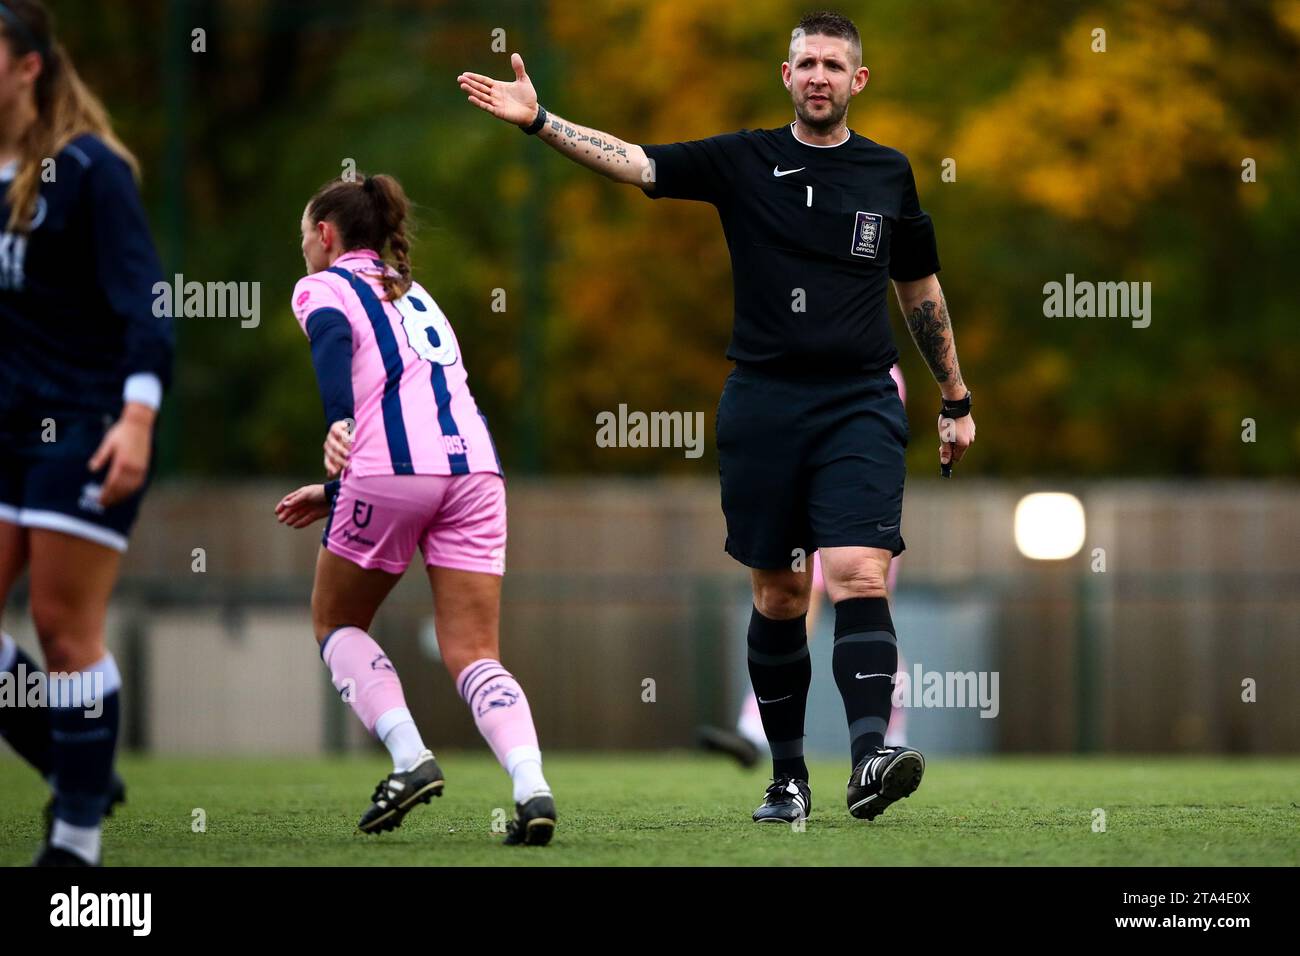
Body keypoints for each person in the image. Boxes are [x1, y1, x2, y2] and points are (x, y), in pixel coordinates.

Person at [458, 10, 975, 824]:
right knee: (778, 593)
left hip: (861, 400)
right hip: (764, 403)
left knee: (859, 572)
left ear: (858, 82)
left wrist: (954, 397)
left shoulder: (889, 172)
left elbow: (920, 290)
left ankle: (871, 754)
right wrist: (542, 122)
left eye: (834, 66)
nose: (818, 77)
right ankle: (789, 777)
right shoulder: (744, 159)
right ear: (786, 74)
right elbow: (636, 163)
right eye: (806, 63)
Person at [274, 173, 556, 845]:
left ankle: (409, 759)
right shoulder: (414, 291)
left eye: (304, 237)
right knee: (475, 651)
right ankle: (532, 786)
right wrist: (340, 490)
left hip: (389, 470)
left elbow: (333, 343)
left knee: (335, 621)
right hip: (475, 471)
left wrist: (339, 424)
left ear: (326, 234)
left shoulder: (324, 285)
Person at [0, 0, 172, 865]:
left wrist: (138, 417)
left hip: (85, 426)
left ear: (27, 66)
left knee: (63, 629)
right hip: (6, 427)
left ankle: (75, 847)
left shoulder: (91, 169)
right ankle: (80, 765)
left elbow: (148, 301)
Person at [700, 365, 909, 768]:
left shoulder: (881, 372)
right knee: (790, 605)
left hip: (850, 519)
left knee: (869, 613)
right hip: (815, 515)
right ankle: (758, 730)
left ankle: (887, 733)